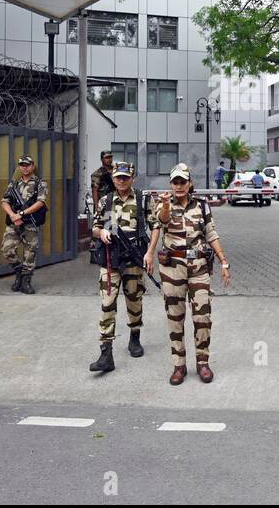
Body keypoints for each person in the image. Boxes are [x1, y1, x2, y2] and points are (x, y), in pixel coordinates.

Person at [145, 163, 231, 385]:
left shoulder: (202, 206)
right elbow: (162, 221)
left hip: (199, 266)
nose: (179, 186)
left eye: (183, 181)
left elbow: (211, 233)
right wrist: (165, 205)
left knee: (202, 316)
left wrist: (223, 261)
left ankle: (202, 362)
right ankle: (179, 365)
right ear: (171, 184)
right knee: (175, 317)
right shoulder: (161, 202)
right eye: (175, 182)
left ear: (190, 183)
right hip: (172, 267)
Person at [88, 161, 149, 373]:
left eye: (125, 177)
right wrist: (101, 233)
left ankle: (135, 337)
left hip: (133, 259)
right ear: (113, 179)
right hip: (110, 260)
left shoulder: (142, 199)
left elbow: (156, 225)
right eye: (117, 177)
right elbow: (95, 227)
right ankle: (106, 353)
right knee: (107, 303)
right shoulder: (105, 201)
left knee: (134, 300)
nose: (121, 181)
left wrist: (149, 254)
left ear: (133, 178)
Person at [0, 155, 49, 294]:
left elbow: (41, 202)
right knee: (6, 250)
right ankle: (19, 271)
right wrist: (13, 216)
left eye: (27, 164)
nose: (25, 167)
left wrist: (22, 214)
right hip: (14, 222)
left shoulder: (40, 184)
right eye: (22, 165)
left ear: (33, 166)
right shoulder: (13, 184)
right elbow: (4, 201)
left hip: (30, 223)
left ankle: (26, 281)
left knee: (30, 253)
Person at [90, 150, 116, 215]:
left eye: (110, 157)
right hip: (104, 204)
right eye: (106, 158)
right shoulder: (97, 174)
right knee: (106, 223)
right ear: (101, 159)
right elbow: (94, 191)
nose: (109, 159)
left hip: (117, 203)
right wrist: (96, 207)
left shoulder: (117, 171)